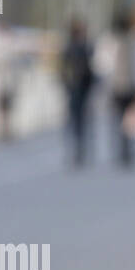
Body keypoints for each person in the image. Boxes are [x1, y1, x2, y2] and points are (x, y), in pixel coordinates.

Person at [97, 13, 135, 167]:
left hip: (115, 87)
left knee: (116, 121)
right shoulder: (133, 42)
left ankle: (120, 151)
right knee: (133, 121)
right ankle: (128, 151)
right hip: (130, 87)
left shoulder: (109, 42)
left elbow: (102, 66)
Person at [59, 17, 96, 166]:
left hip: (81, 88)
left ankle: (79, 150)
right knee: (77, 121)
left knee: (78, 120)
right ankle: (77, 150)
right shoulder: (75, 47)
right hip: (76, 88)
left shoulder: (83, 47)